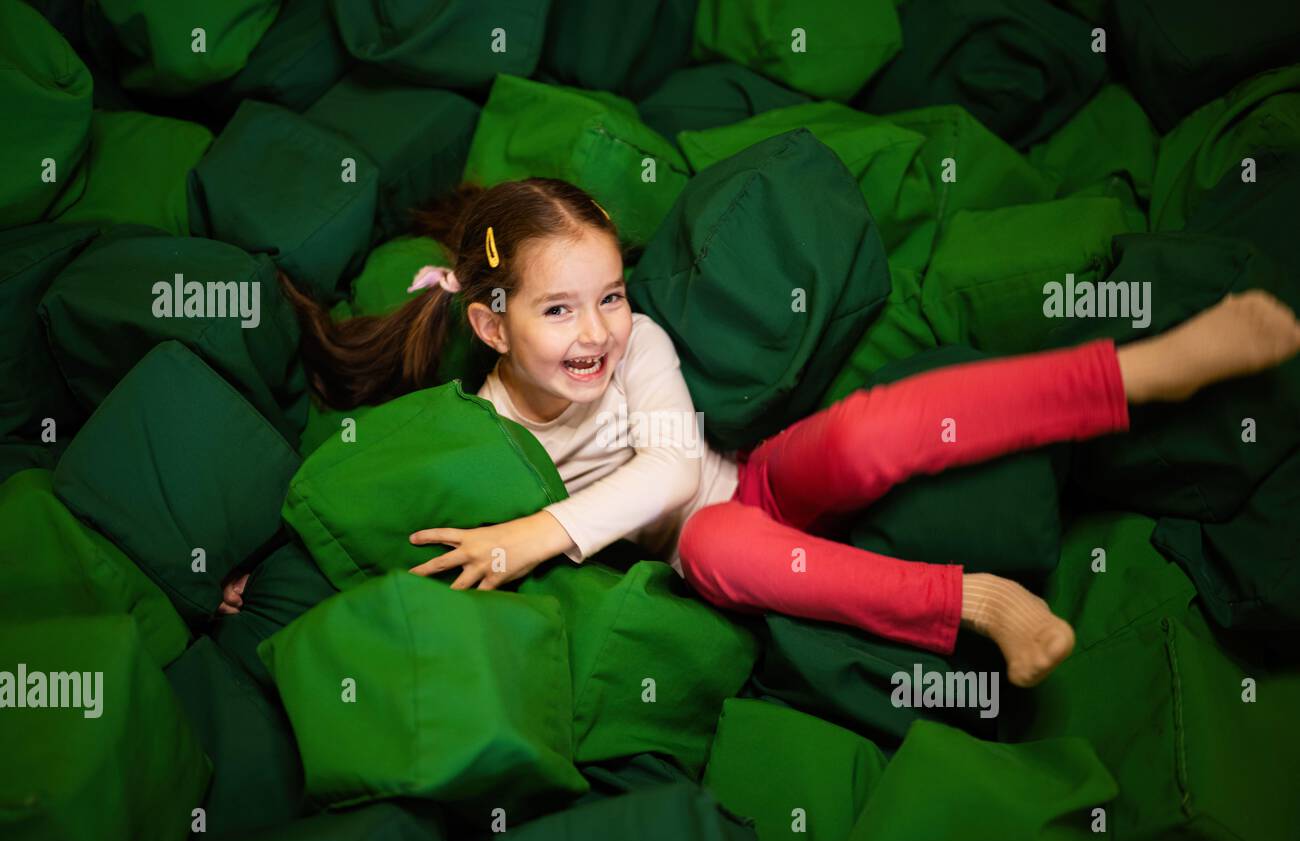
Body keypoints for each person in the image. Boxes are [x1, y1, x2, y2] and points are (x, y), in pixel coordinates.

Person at [225, 177, 1300, 688]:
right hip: (713, 546)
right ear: (488, 326)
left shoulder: (636, 344)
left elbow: (674, 465)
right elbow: (373, 489)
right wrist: (266, 572)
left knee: (871, 432)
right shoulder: (474, 424)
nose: (597, 330)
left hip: (753, 475)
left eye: (609, 294)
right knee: (711, 545)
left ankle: (1144, 367)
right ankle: (976, 604)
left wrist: (541, 532)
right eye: (560, 311)